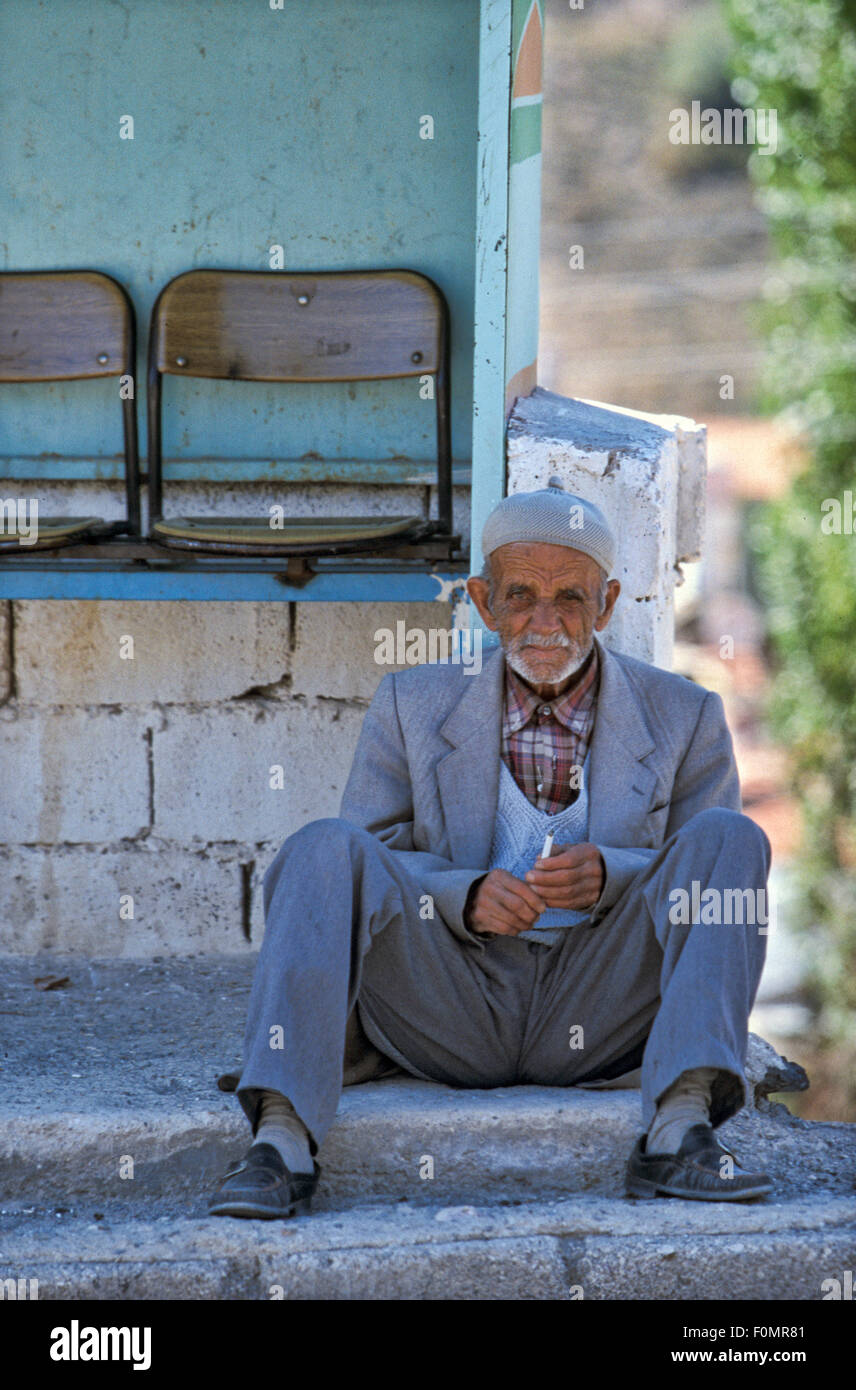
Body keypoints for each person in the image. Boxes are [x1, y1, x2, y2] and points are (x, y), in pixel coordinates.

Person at [209, 482, 773, 1219]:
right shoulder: (412, 702)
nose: (544, 622)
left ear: (606, 605)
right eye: (519, 597)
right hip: (448, 1005)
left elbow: (703, 876)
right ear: (482, 601)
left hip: (603, 1010)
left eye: (570, 598)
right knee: (322, 847)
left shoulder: (685, 714)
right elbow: (366, 865)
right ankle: (280, 1141)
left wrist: (613, 875)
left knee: (736, 839)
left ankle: (680, 1129)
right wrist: (462, 895)